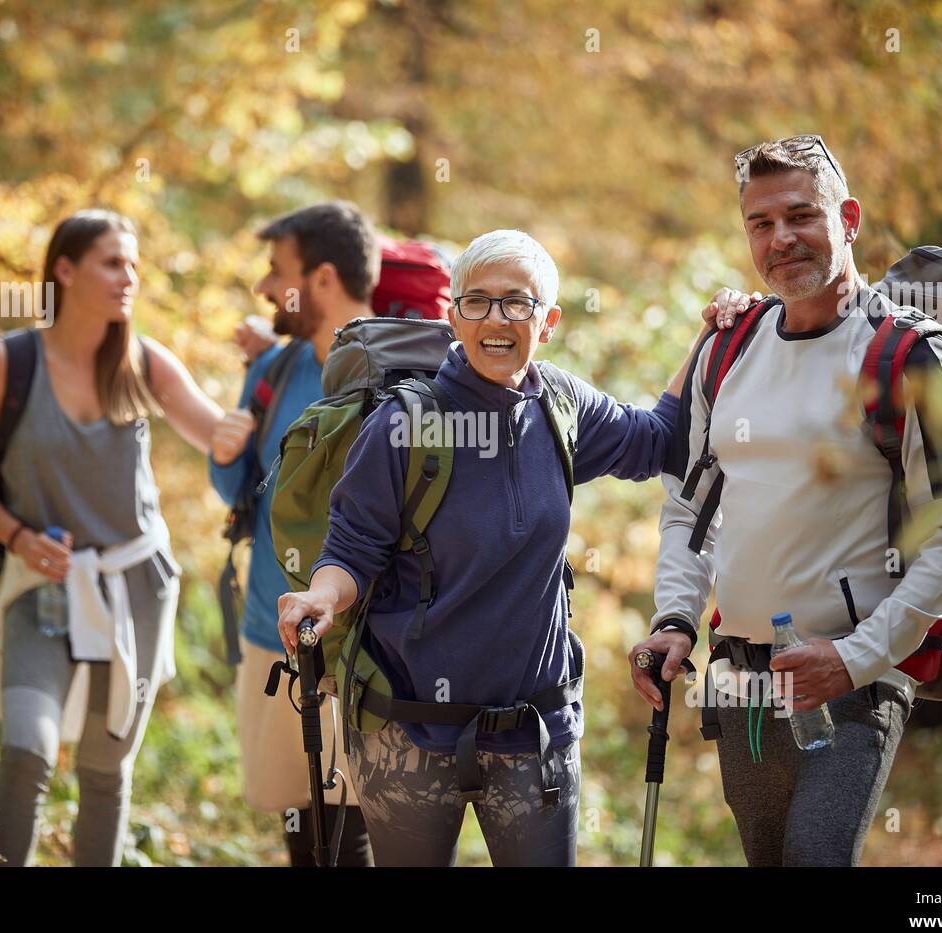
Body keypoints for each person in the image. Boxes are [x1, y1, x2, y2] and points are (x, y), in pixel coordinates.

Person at [276, 229, 724, 866]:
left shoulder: (563, 405)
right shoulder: (405, 424)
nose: (495, 318)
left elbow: (659, 439)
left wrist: (711, 335)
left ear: (548, 321)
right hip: (407, 729)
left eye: (516, 302)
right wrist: (322, 597)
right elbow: (351, 545)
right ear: (452, 315)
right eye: (477, 301)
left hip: (533, 730)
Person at [630, 136, 942, 866]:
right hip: (740, 683)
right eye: (760, 224)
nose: (781, 238)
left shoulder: (907, 354)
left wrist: (858, 657)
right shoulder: (726, 350)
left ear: (849, 218)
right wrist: (674, 617)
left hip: (853, 681)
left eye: (801, 215)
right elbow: (690, 507)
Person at [0, 209, 238, 866]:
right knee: (26, 749)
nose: (128, 277)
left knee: (105, 773)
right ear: (65, 268)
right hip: (42, 587)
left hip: (137, 589)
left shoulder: (142, 361)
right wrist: (18, 537)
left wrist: (267, 386)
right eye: (113, 262)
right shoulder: (9, 363)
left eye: (134, 265)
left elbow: (219, 437)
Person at [208, 201, 379, 866]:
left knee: (352, 831)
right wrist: (224, 459)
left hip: (359, 647)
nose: (262, 286)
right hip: (267, 633)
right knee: (300, 833)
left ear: (324, 278)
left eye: (277, 271)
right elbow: (243, 497)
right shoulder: (274, 369)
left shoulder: (390, 370)